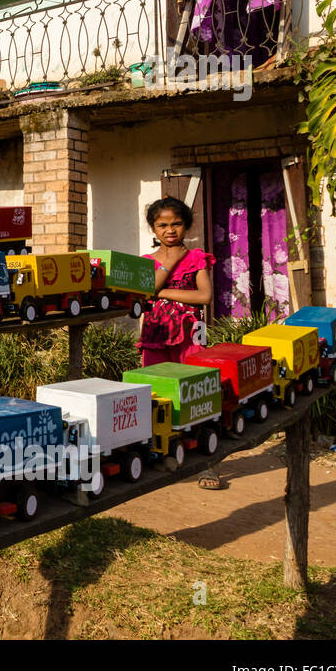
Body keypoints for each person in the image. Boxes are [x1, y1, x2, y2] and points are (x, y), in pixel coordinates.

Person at [138, 197, 223, 490]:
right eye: (162, 225)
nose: (170, 230)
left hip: (190, 335)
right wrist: (170, 261)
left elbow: (203, 297)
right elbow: (143, 292)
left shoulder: (197, 258)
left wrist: (161, 293)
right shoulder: (146, 263)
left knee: (195, 395)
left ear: (186, 225)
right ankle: (162, 455)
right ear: (153, 227)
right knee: (156, 396)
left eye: (176, 223)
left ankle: (206, 464)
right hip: (155, 335)